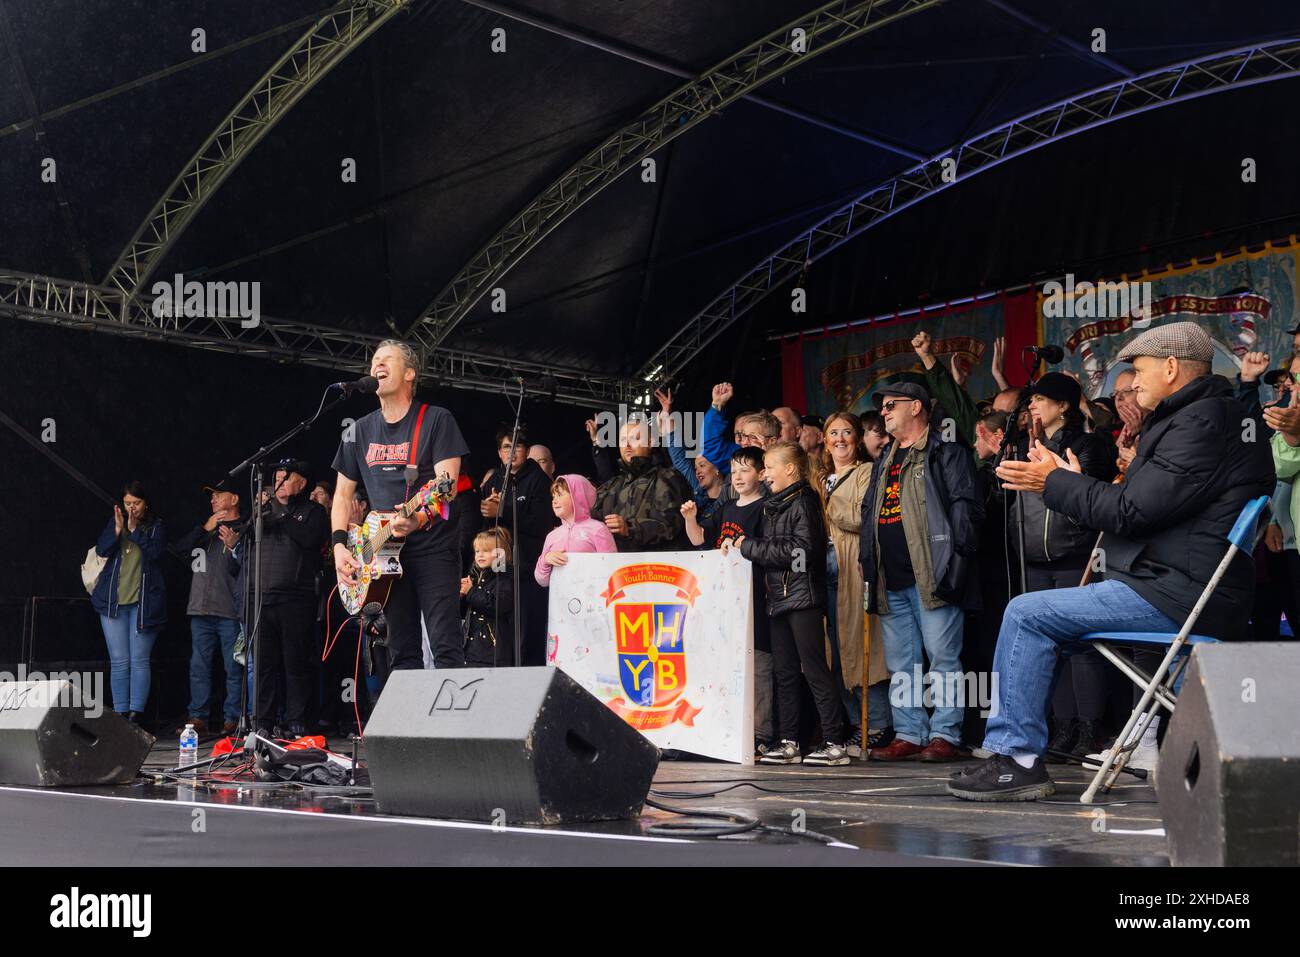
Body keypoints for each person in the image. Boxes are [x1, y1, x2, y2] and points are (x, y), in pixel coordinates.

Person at [950, 321, 1276, 801]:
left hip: (1175, 592)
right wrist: (1072, 482)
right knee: (1041, 620)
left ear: (1170, 366)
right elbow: (1145, 505)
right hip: (1184, 586)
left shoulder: (1201, 421)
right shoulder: (1206, 417)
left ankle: (1016, 758)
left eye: (1139, 370)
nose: (1134, 382)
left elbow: (1132, 511)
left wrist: (1054, 485)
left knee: (1025, 613)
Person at [859, 381, 982, 763]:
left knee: (943, 657)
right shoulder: (884, 459)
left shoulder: (946, 452)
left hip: (933, 575)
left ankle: (945, 732)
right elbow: (869, 516)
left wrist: (955, 568)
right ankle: (910, 732)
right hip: (890, 578)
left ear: (916, 407)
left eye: (890, 404)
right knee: (900, 664)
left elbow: (966, 512)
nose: (883, 412)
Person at [331, 340, 469, 672]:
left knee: (444, 644)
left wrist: (418, 518)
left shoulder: (436, 419)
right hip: (382, 555)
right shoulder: (358, 430)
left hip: (433, 549)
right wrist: (339, 546)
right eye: (374, 360)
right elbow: (341, 496)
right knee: (402, 650)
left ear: (409, 373)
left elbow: (444, 488)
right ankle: (409, 724)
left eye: (386, 359)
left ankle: (454, 723)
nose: (377, 364)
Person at [1009, 373, 1117, 761]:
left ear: (1064, 405)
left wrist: (1052, 463)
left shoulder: (1086, 444)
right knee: (1050, 647)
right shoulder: (1024, 445)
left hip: (1075, 553)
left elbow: (1092, 487)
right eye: (1032, 399)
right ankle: (1063, 728)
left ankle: (1090, 730)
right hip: (1035, 557)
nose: (1033, 405)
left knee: (1082, 647)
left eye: (1041, 399)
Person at [733, 442, 846, 766]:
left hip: (803, 598)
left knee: (813, 668)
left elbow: (803, 554)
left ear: (790, 469)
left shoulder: (805, 501)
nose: (765, 474)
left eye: (768, 467)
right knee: (784, 673)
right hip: (779, 599)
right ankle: (789, 741)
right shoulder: (774, 505)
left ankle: (834, 742)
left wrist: (750, 548)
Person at [684, 447, 773, 756]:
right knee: (727, 663)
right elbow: (700, 540)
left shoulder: (766, 507)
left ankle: (761, 733)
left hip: (757, 597)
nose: (737, 476)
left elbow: (768, 549)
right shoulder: (727, 508)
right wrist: (689, 519)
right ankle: (728, 727)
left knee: (759, 663)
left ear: (761, 474)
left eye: (745, 470)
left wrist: (742, 546)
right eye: (734, 471)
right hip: (726, 600)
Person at [230, 460, 329, 738]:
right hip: (259, 597)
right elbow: (245, 537)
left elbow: (310, 540)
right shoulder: (264, 510)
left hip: (295, 598)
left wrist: (282, 513)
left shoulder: (313, 511)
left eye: (286, 478)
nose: (280, 482)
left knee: (296, 663)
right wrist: (259, 511)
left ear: (302, 483)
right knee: (263, 665)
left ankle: (298, 720)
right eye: (277, 477)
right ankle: (262, 721)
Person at [820, 411, 890, 755]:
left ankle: (876, 723)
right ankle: (854, 724)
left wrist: (832, 511)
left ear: (857, 439)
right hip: (824, 573)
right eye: (833, 433)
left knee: (860, 648)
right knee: (834, 650)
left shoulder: (866, 472)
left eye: (847, 432)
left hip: (852, 567)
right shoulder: (821, 479)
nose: (840, 438)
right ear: (824, 440)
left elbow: (869, 519)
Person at [91, 482, 166, 725]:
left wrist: (134, 531)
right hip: (113, 601)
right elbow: (101, 551)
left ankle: (136, 713)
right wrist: (117, 530)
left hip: (143, 602)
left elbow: (155, 554)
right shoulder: (117, 521)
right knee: (119, 659)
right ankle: (120, 712)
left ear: (146, 503)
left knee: (139, 659)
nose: (131, 508)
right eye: (127, 503)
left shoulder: (156, 526)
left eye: (136, 503)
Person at [174, 479, 245, 735]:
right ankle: (198, 717)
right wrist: (206, 528)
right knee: (199, 666)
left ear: (234, 498)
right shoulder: (206, 529)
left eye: (218, 495)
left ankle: (232, 718)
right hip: (200, 610)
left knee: (233, 667)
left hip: (229, 610)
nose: (213, 500)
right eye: (211, 496)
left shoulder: (245, 527)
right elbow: (179, 552)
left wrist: (234, 545)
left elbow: (246, 569)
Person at [481, 426, 555, 665]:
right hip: (500, 565)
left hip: (528, 569)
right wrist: (487, 510)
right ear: (499, 452)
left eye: (518, 447)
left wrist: (504, 509)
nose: (511, 453)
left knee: (527, 633)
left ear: (526, 451)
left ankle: (530, 683)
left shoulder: (539, 479)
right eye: (506, 447)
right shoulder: (495, 479)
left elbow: (541, 524)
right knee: (501, 629)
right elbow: (484, 522)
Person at [594, 420, 692, 552]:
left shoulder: (667, 477)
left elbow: (669, 524)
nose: (627, 445)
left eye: (635, 438)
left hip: (658, 569)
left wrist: (629, 528)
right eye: (623, 440)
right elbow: (588, 516)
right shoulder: (613, 485)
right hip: (617, 570)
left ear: (651, 442)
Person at [656, 387, 726, 523]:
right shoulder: (698, 488)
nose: (697, 471)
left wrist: (718, 404)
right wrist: (666, 414)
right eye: (696, 467)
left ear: (717, 467)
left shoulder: (735, 491)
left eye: (702, 465)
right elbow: (679, 457)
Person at [535, 473, 618, 588]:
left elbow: (612, 569)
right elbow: (542, 581)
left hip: (592, 599)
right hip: (561, 602)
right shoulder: (552, 536)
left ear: (578, 497)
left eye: (560, 495)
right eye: (553, 496)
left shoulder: (598, 529)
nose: (554, 501)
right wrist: (545, 560)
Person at [460, 528, 515, 667]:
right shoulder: (473, 577)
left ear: (499, 554)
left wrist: (471, 592)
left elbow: (498, 605)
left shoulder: (504, 577)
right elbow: (462, 613)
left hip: (493, 652)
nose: (480, 555)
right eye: (477, 551)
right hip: (469, 650)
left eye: (485, 550)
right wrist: (461, 596)